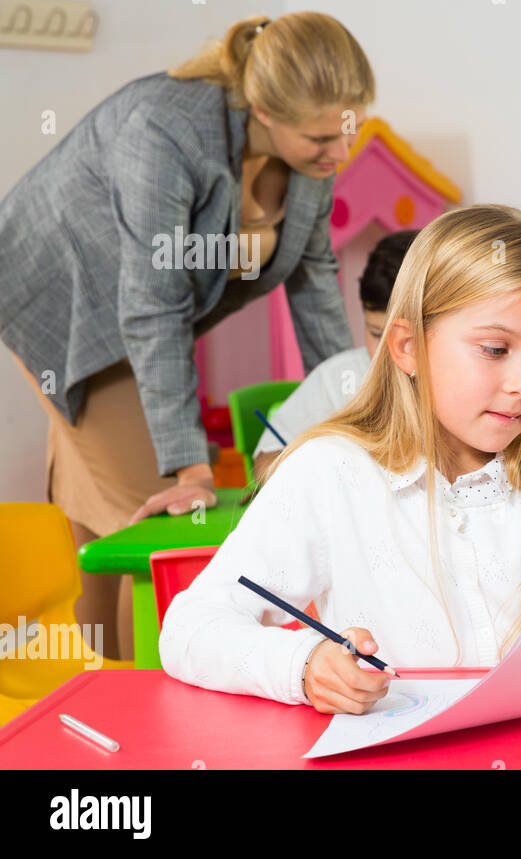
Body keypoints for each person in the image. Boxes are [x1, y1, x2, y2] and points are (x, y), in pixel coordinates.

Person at [158, 206, 521, 719]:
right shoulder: (327, 471)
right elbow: (190, 628)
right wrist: (302, 664)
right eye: (495, 349)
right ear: (407, 347)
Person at [0, 12, 373, 659]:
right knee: (168, 517)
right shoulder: (164, 132)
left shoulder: (313, 157)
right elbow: (152, 306)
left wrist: (352, 412)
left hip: (141, 307)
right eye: (320, 137)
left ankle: (93, 686)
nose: (339, 153)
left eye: (349, 129)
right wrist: (190, 467)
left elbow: (315, 283)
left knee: (102, 518)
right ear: (262, 108)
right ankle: (142, 700)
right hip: (66, 301)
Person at [250, 230, 419, 483]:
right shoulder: (338, 378)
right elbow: (266, 461)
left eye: (410, 339)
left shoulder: (460, 382)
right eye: (376, 333)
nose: (391, 350)